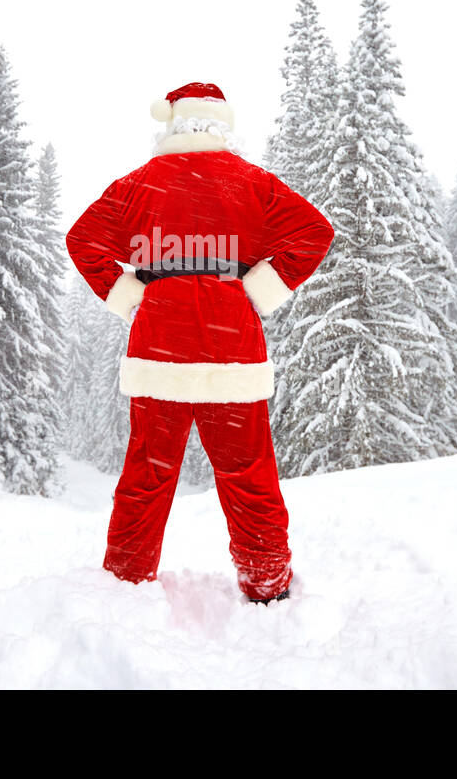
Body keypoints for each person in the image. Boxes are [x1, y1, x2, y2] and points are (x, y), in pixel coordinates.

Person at [66, 82, 334, 604]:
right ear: (221, 125)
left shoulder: (139, 185)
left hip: (159, 347)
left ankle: (124, 582)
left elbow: (83, 239)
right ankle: (267, 585)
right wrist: (256, 288)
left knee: (146, 474)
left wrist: (130, 297)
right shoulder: (252, 183)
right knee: (249, 474)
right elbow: (315, 231)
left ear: (172, 124)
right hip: (231, 350)